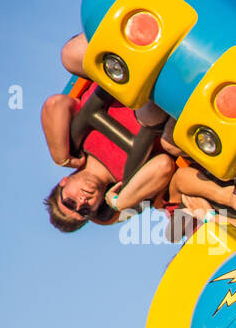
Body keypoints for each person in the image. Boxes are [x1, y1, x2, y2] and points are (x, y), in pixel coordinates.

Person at [41, 34, 177, 232]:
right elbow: (164, 166)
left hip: (122, 68)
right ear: (96, 208)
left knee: (70, 54)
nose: (81, 201)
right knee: (151, 117)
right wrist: (120, 202)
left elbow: (55, 104)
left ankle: (140, 36)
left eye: (70, 202)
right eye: (85, 210)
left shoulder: (73, 143)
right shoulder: (127, 181)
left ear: (63, 182)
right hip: (156, 102)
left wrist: (62, 158)